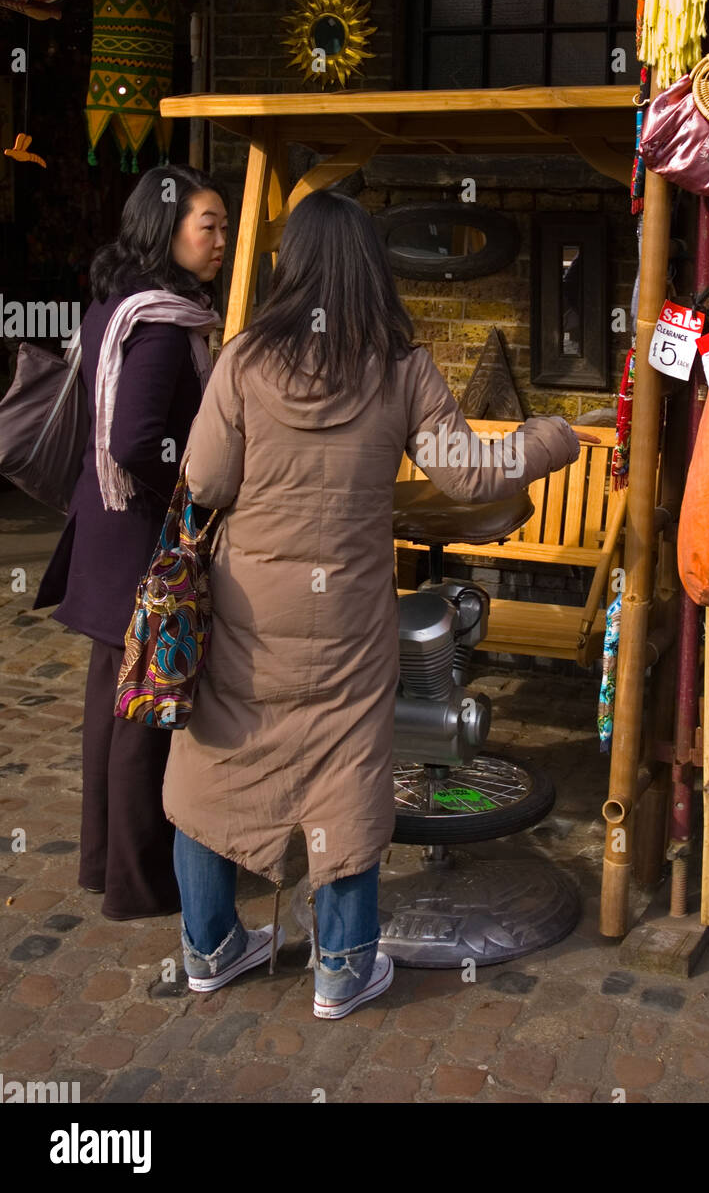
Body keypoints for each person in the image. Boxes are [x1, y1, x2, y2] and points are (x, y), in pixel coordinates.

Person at [163, 188, 585, 1018]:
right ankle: (343, 968)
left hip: (248, 607)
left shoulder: (243, 359)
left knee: (214, 768)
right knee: (345, 774)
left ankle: (210, 949)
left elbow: (206, 480)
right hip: (349, 618)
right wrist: (555, 436)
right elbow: (465, 473)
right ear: (371, 269)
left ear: (295, 266)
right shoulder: (401, 366)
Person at [34, 165, 228, 921]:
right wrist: (194, 486)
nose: (220, 240)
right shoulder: (160, 324)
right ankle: (139, 885)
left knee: (109, 705)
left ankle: (102, 865)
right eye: (207, 225)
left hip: (103, 533)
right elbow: (135, 438)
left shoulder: (117, 306)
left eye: (221, 225)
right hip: (138, 538)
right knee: (146, 711)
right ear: (166, 228)